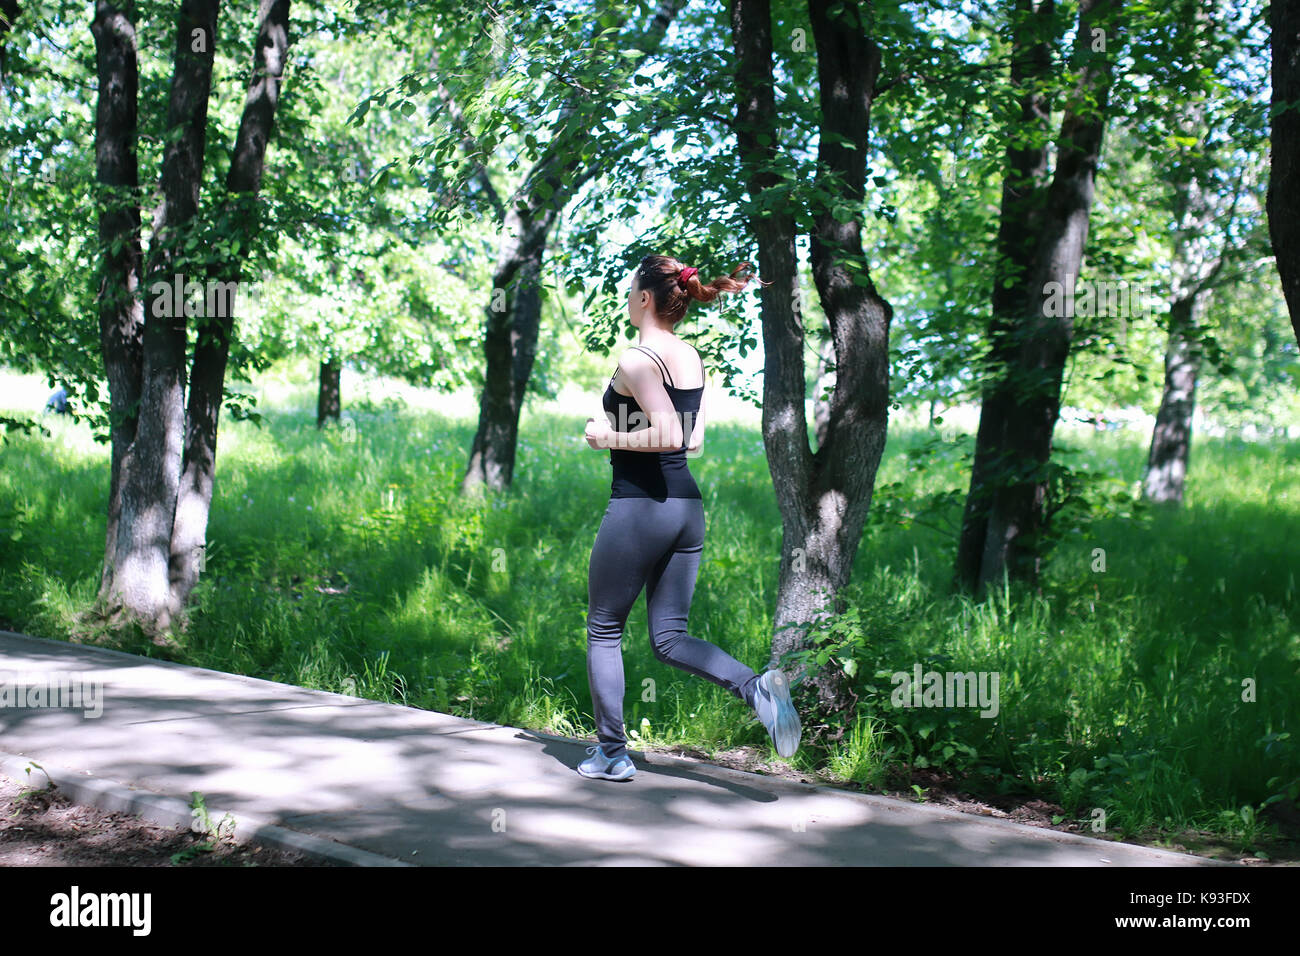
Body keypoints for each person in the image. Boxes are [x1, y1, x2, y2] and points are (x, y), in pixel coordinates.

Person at [577, 254, 801, 782]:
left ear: (646, 298)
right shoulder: (691, 357)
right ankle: (756, 688)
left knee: (605, 627)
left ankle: (610, 754)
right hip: (685, 511)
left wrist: (605, 438)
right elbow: (693, 440)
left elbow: (672, 436)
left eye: (631, 290)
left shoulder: (637, 359)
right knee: (669, 639)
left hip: (640, 508)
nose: (628, 298)